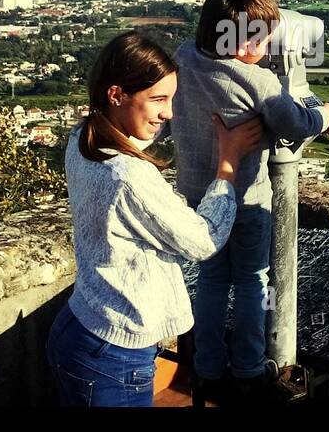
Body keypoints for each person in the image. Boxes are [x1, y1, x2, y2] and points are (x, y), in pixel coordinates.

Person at [48, 30, 263, 407]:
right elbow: (204, 240)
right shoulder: (129, 177)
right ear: (116, 94)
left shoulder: (83, 136)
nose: (169, 112)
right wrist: (227, 162)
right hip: (115, 354)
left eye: (172, 99)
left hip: (79, 327)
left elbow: (130, 143)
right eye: (158, 99)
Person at [169, 0, 329, 401]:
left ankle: (207, 367)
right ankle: (248, 368)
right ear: (244, 44)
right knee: (251, 280)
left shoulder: (184, 58)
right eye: (262, 38)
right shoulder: (259, 82)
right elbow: (295, 124)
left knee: (210, 279)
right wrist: (327, 114)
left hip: (197, 195)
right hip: (246, 199)